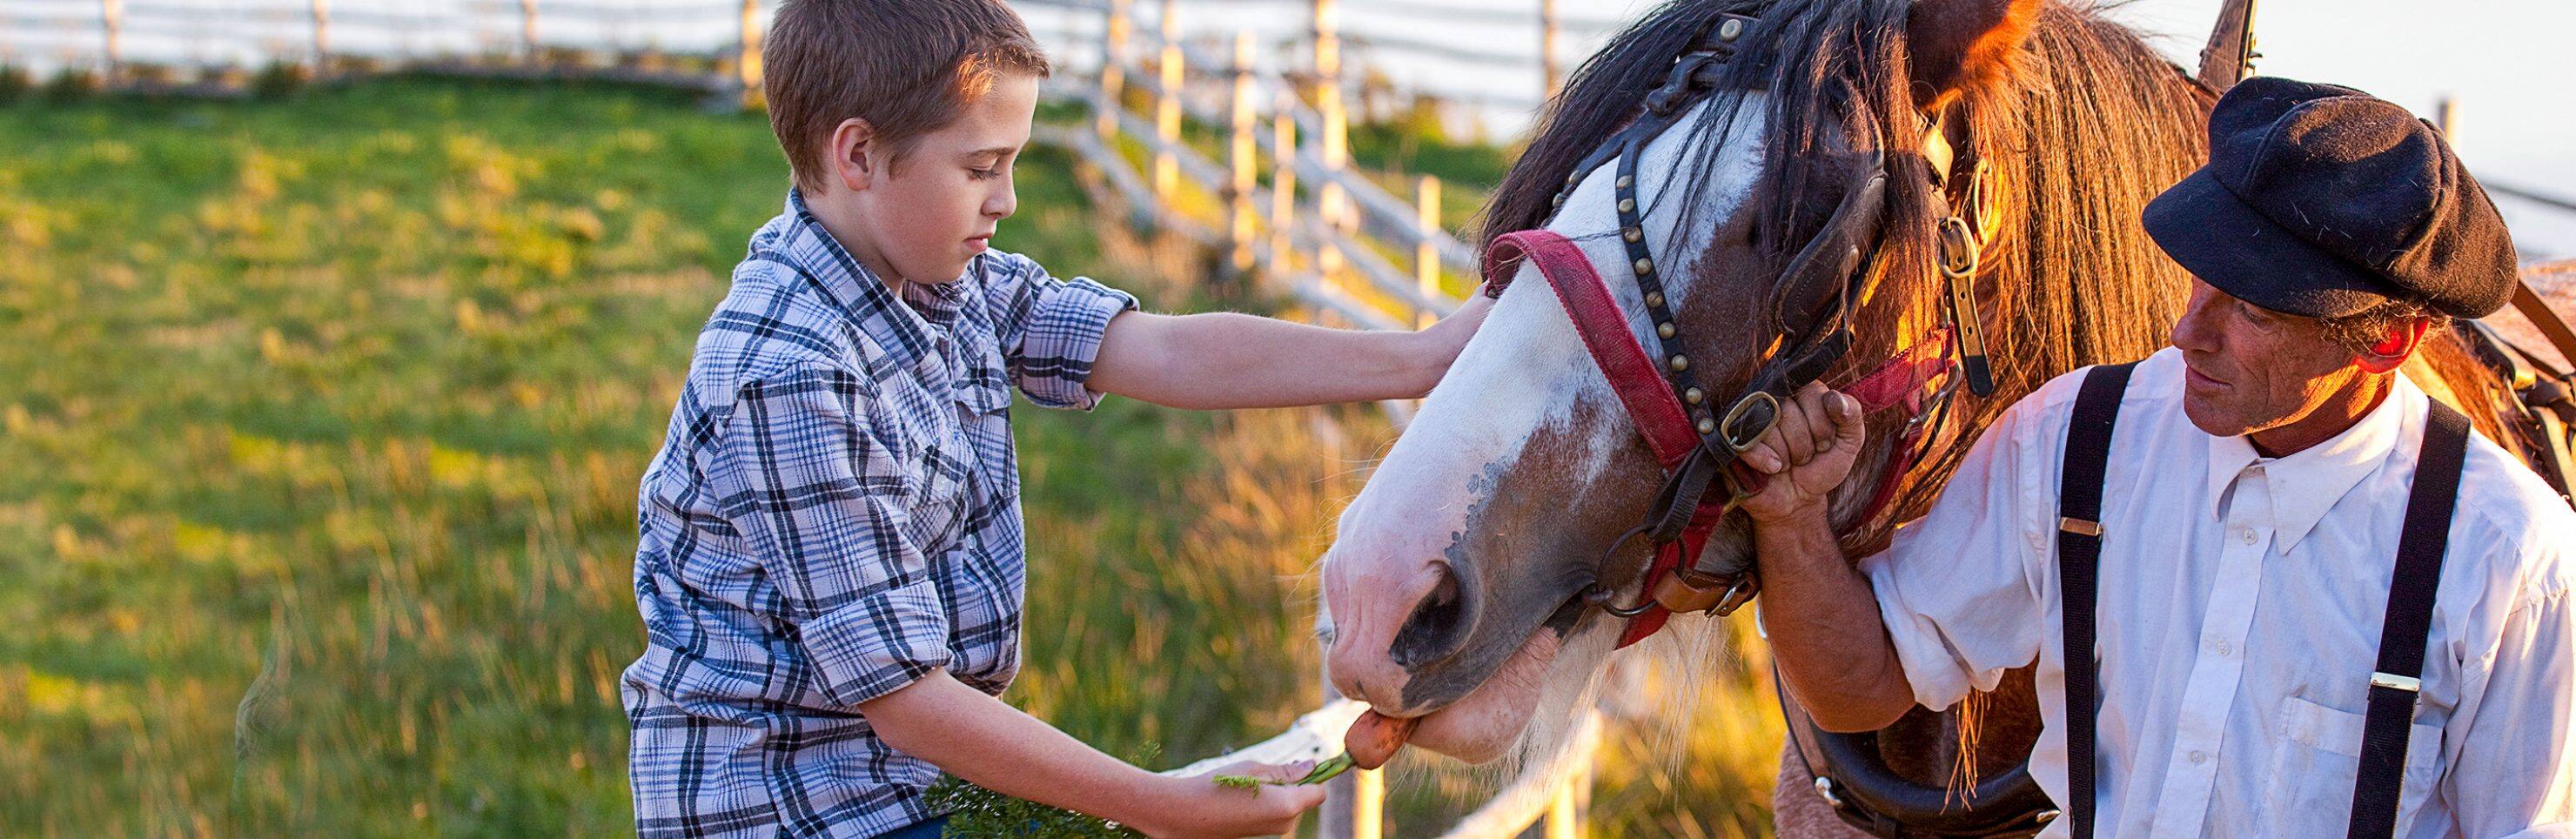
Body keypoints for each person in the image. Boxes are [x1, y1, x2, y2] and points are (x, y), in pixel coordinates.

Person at [618, 2, 1492, 836]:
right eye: (978, 167)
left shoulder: (945, 280)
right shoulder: (790, 372)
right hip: (791, 805)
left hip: (909, 784)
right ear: (856, 155)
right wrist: (1157, 804)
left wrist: (1424, 357)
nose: (1004, 200)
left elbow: (1168, 352)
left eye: (1011, 164)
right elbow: (903, 696)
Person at [1741, 77, 2574, 836]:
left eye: (2252, 308)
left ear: (2387, 340)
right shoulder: (2078, 439)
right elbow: (1860, 681)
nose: (2187, 332)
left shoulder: (2511, 562)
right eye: (2197, 275)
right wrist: (1791, 518)